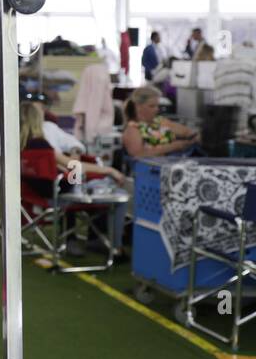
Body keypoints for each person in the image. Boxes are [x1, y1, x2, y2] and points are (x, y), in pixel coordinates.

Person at [22, 102, 129, 254]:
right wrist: (109, 170)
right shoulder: (41, 144)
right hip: (58, 194)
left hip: (36, 193)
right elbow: (75, 166)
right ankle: (115, 247)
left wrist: (74, 162)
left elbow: (66, 166)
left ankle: (84, 238)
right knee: (118, 195)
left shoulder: (19, 144)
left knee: (91, 181)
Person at [122, 85, 199, 159]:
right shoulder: (133, 129)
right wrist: (172, 146)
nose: (157, 109)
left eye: (157, 106)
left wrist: (194, 137)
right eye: (152, 106)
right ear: (138, 107)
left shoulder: (160, 121)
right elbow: (139, 154)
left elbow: (186, 132)